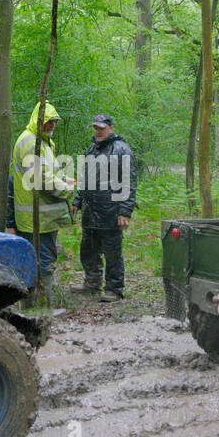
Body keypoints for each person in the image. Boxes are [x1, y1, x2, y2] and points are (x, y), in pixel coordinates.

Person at [10, 101, 75, 291]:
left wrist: (64, 179)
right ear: (38, 120)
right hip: (36, 217)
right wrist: (66, 189)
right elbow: (41, 179)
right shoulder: (31, 142)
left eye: (54, 121)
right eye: (48, 121)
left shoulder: (44, 142)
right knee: (42, 259)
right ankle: (41, 300)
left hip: (43, 217)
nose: (52, 125)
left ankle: (41, 295)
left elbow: (48, 172)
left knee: (44, 257)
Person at [73, 114, 136, 301]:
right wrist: (78, 200)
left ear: (111, 128)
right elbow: (85, 178)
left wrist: (125, 211)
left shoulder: (121, 149)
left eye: (101, 128)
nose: (98, 131)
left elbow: (129, 182)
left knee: (112, 251)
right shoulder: (91, 150)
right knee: (88, 249)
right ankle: (92, 283)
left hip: (111, 211)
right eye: (95, 128)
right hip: (90, 210)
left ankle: (114, 288)